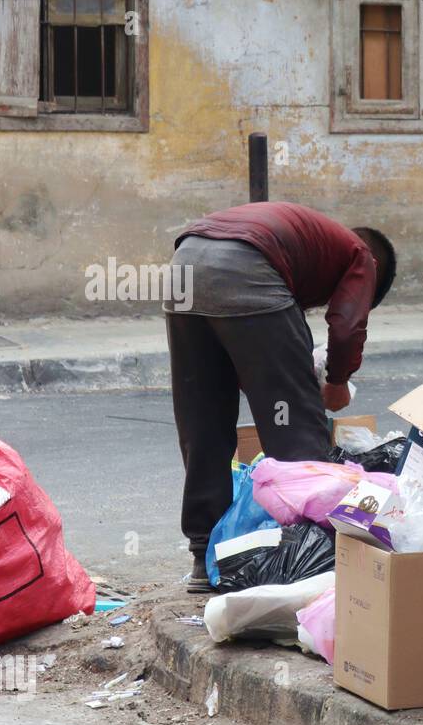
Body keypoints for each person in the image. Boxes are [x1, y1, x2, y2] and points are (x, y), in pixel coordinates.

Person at [163, 201, 396, 593]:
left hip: (186, 266)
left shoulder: (311, 244)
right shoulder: (361, 255)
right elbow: (346, 326)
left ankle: (204, 560)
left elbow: (250, 350)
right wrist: (337, 382)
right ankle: (306, 562)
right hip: (246, 268)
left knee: (203, 423)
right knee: (298, 431)